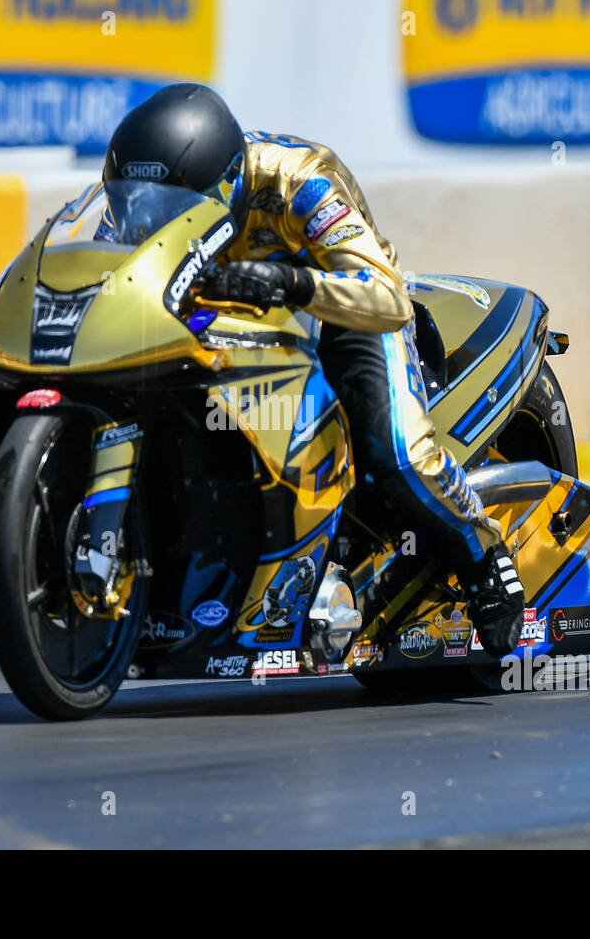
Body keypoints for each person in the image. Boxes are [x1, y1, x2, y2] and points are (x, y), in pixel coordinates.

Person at [101, 83, 525, 658]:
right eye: (138, 206)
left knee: (394, 449)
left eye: (172, 209)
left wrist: (289, 283)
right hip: (221, 326)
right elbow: (106, 284)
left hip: (337, 308)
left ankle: (484, 557)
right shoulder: (137, 196)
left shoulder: (299, 180)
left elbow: (386, 295)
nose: (149, 220)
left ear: (226, 185)